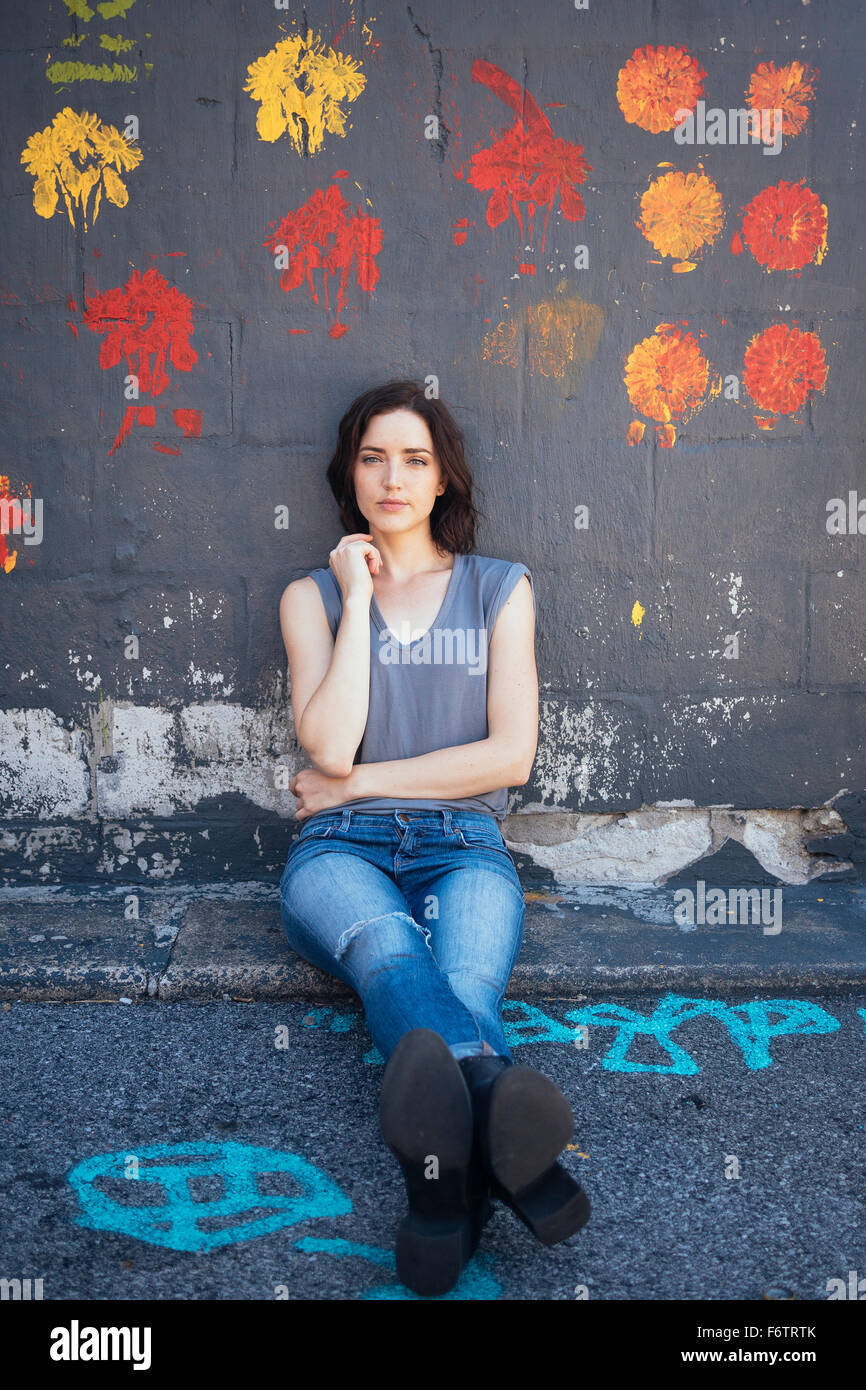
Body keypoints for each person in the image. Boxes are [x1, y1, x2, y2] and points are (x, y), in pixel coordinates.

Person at [278, 379, 590, 1297]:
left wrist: (364, 779)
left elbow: (507, 758)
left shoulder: (500, 589)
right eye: (373, 457)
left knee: (458, 987)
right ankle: (501, 1117)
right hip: (340, 851)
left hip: (464, 844)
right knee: (386, 952)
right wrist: (358, 597)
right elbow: (328, 741)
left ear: (444, 476)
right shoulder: (312, 597)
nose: (392, 477)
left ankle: (438, 1201)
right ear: (351, 472)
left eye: (414, 459)